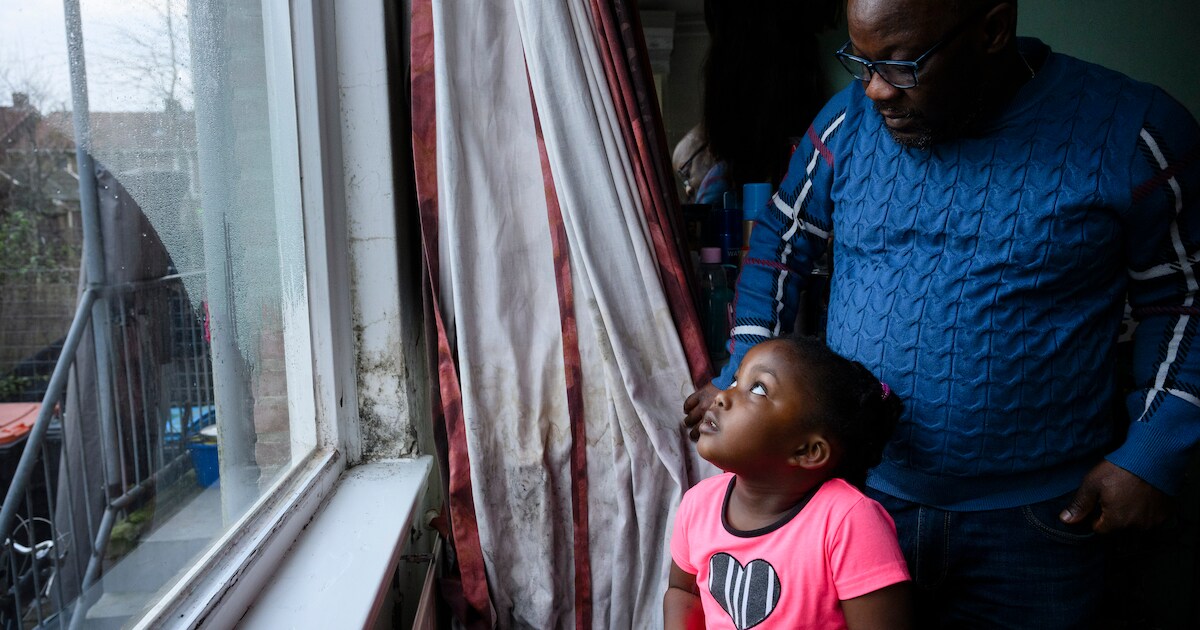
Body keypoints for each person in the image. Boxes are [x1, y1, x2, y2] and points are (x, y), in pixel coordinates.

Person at [682, 0, 1200, 627]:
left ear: (991, 29)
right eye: (861, 62)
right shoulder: (846, 124)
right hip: (854, 503)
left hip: (1040, 525)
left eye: (901, 65)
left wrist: (1153, 451)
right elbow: (778, 251)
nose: (873, 89)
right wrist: (742, 373)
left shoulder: (1131, 131)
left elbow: (1186, 300)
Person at [665, 335, 911, 630]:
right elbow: (682, 592)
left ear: (808, 451)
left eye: (757, 388)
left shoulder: (849, 522)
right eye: (734, 380)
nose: (722, 396)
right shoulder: (698, 504)